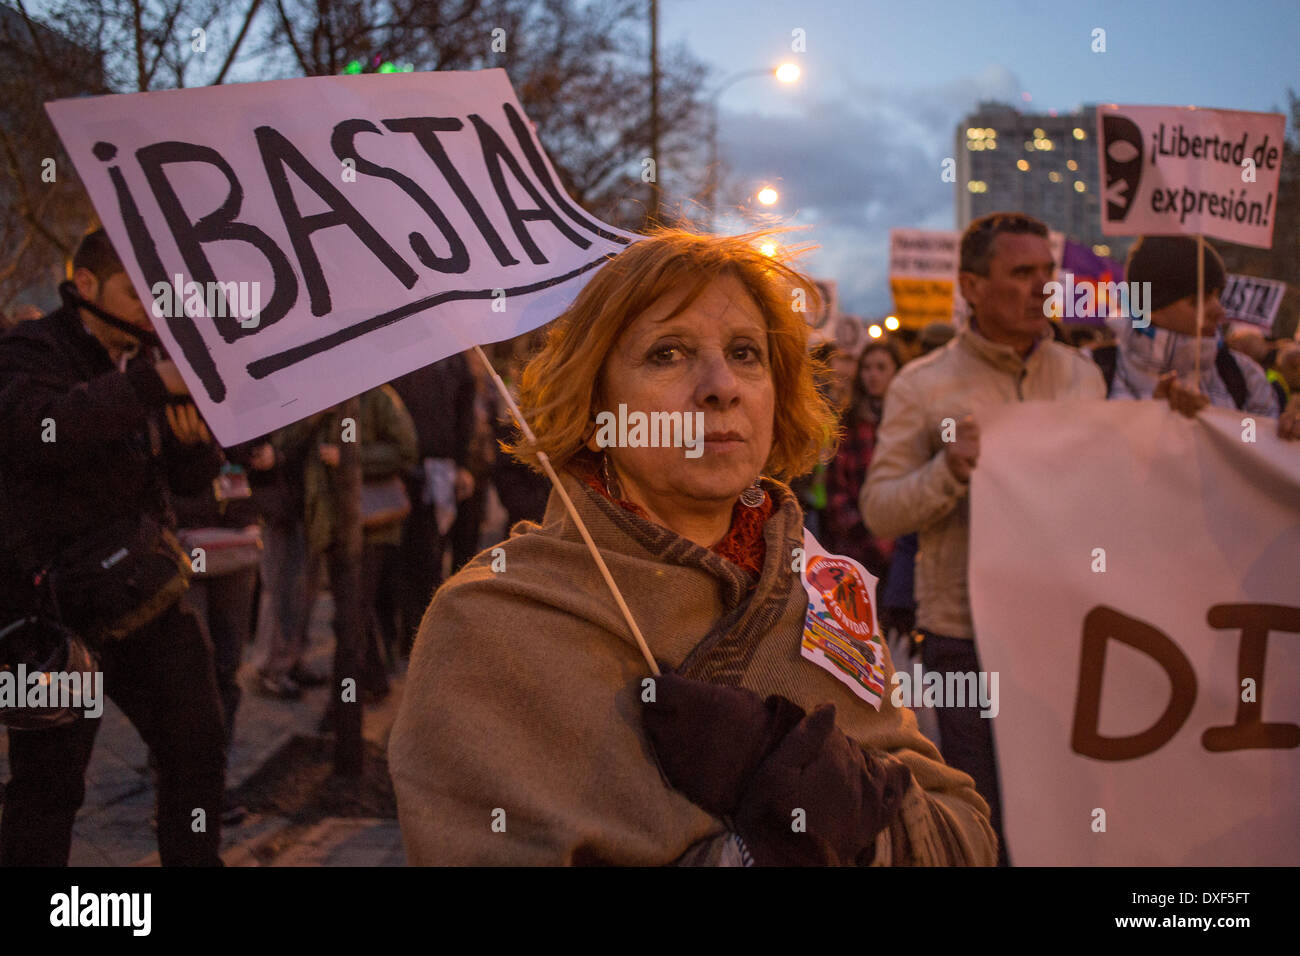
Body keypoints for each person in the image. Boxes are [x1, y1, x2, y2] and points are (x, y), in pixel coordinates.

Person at [389, 229, 997, 866]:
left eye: (745, 354)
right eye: (667, 353)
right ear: (596, 401)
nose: (720, 386)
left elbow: (966, 836)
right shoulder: (491, 621)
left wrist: (844, 808)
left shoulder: (824, 590)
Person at [861, 212, 1107, 865]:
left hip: (1064, 630)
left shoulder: (1084, 377)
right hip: (961, 639)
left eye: (1046, 272)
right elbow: (880, 510)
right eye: (1020, 273)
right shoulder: (922, 385)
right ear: (971, 285)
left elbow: (1112, 492)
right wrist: (951, 470)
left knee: (1067, 803)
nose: (1041, 287)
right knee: (988, 816)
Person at [0, 229, 226, 866]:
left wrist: (188, 450)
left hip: (144, 601)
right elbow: (43, 430)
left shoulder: (134, 367)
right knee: (47, 789)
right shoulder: (28, 349)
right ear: (88, 286)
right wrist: (153, 386)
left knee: (197, 748)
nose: (151, 311)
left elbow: (180, 486)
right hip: (50, 617)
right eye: (136, 294)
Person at [1105, 236, 1282, 426]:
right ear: (1152, 309)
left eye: (1217, 295)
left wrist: (1284, 437)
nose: (1219, 311)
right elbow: (1085, 448)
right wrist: (1153, 414)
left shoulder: (1244, 376)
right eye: (1199, 300)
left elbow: (1252, 443)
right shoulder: (1096, 373)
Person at [824, 340, 900, 581]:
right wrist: (864, 533)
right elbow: (836, 488)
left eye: (881, 368)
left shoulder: (909, 423)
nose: (873, 375)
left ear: (896, 372)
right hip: (857, 549)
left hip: (902, 547)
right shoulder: (851, 422)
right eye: (867, 368)